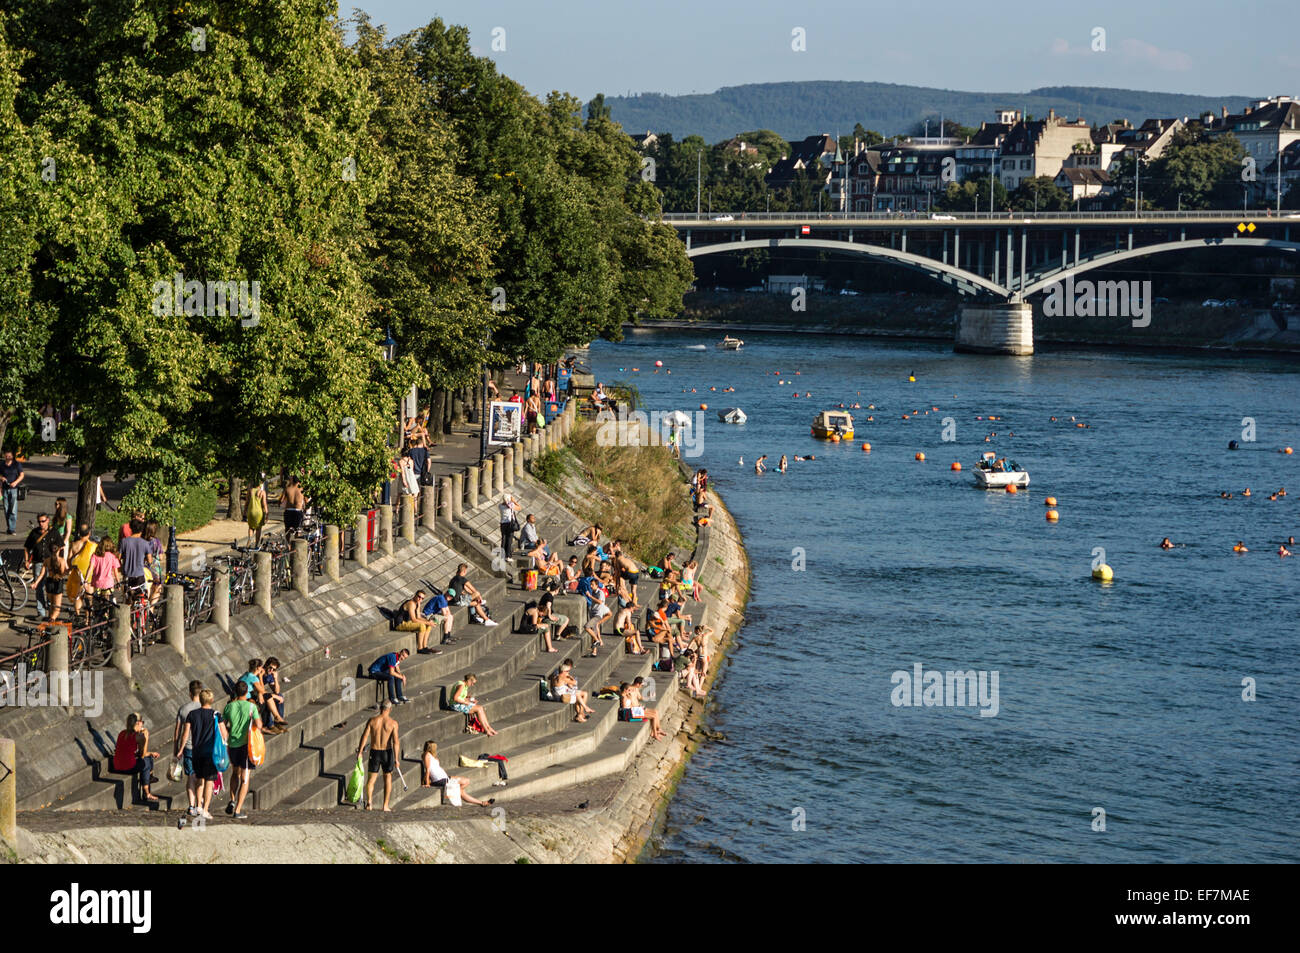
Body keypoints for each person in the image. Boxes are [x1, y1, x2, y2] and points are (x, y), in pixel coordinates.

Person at [176, 688, 227, 820]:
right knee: (209, 782)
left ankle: (198, 805)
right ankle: (205, 809)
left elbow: (185, 734)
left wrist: (181, 749)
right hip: (211, 753)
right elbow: (224, 734)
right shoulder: (216, 714)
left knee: (199, 779)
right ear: (211, 700)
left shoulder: (192, 715)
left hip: (196, 751)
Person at [221, 682, 262, 819]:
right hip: (246, 745)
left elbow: (223, 725)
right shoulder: (251, 706)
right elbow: (259, 725)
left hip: (232, 744)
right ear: (247, 692)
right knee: (245, 778)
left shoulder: (228, 707)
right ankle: (237, 810)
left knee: (235, 773)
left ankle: (232, 800)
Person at [357, 699, 401, 811]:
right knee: (387, 778)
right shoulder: (393, 723)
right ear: (390, 709)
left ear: (381, 708)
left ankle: (370, 802)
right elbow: (396, 742)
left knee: (371, 779)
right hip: (387, 752)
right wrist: (396, 758)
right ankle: (385, 805)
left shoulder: (372, 721)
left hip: (375, 752)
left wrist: (360, 751)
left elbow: (364, 736)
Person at [421, 741, 494, 807]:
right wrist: (427, 783)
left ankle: (482, 803)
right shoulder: (427, 755)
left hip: (443, 778)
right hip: (440, 779)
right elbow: (428, 770)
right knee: (466, 781)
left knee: (461, 791)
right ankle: (455, 793)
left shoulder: (431, 756)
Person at [113, 712, 160, 803]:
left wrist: (150, 753)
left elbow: (129, 752)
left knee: (148, 758)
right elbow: (142, 754)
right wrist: (146, 736)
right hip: (128, 767)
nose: (143, 725)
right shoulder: (138, 736)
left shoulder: (122, 733)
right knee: (146, 762)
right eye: (142, 722)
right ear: (138, 723)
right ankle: (147, 792)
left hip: (117, 765)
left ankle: (149, 780)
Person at [173, 680, 203, 815]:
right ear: (201, 692)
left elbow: (177, 732)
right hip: (202, 747)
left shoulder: (183, 709)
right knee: (201, 776)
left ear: (190, 693)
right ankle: (199, 804)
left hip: (188, 747)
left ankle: (191, 806)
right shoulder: (206, 707)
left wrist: (176, 748)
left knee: (190, 776)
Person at [0, 450, 24, 534]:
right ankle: (9, 527)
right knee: (6, 509)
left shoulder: (17, 464)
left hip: (14, 489)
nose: (8, 457)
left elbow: (22, 475)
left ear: (12, 456)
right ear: (4, 456)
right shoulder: (2, 464)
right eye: (6, 456)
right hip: (5, 489)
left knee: (13, 509)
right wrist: (1, 478)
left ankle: (12, 528)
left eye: (9, 456)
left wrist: (16, 482)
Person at [261, 657, 288, 731]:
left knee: (280, 696)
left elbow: (277, 691)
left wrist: (275, 678)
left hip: (261, 693)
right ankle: (270, 725)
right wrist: (274, 696)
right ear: (266, 665)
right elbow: (260, 690)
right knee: (268, 699)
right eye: (270, 668)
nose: (271, 670)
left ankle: (278, 721)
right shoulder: (260, 673)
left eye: (274, 669)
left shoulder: (270, 675)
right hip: (253, 694)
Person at [498, 492, 521, 560]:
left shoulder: (500, 506)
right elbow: (519, 507)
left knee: (504, 539)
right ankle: (508, 556)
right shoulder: (511, 505)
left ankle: (502, 555)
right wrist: (513, 501)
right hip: (509, 524)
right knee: (509, 540)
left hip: (503, 524)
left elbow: (507, 504)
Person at [246, 477, 268, 547]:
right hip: (259, 512)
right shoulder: (262, 492)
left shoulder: (250, 490)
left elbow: (247, 502)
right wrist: (267, 513)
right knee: (258, 528)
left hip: (251, 511)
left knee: (251, 527)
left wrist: (244, 512)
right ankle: (257, 544)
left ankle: (249, 541)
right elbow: (264, 504)